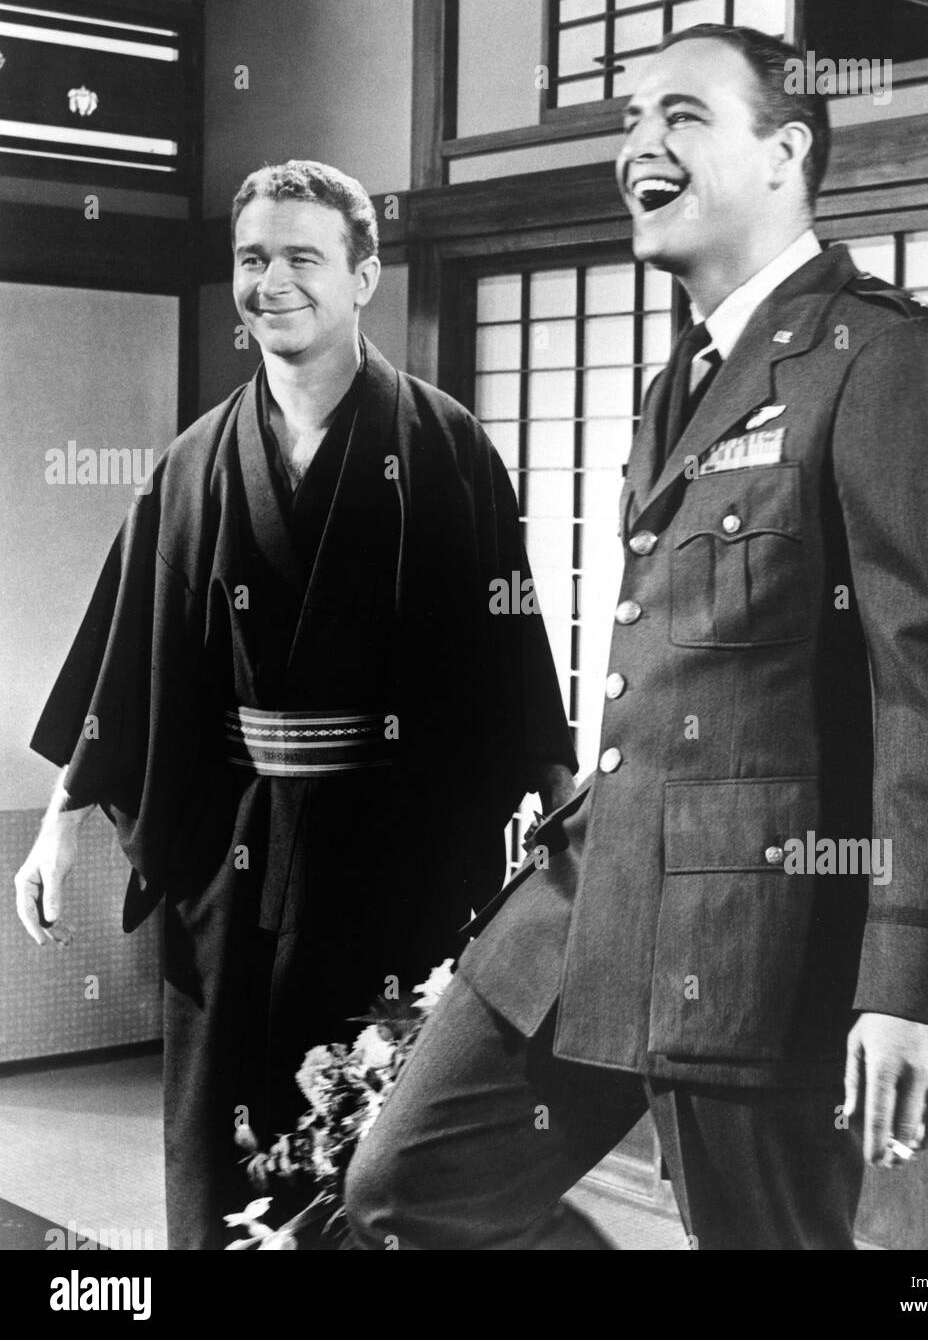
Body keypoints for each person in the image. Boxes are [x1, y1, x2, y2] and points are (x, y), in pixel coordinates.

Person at [343, 26, 928, 1251]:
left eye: (680, 115)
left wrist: (922, 985)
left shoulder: (888, 365)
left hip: (760, 932)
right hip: (592, 904)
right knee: (405, 1187)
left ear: (784, 152)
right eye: (628, 119)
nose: (636, 147)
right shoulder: (686, 377)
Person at [13, 160, 577, 1250]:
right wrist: (60, 821)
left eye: (302, 258)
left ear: (364, 275)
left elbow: (513, 644)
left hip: (396, 859)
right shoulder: (191, 464)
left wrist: (562, 816)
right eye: (252, 258)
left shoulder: (448, 447)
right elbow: (125, 652)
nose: (271, 281)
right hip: (229, 854)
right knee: (219, 1139)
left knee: (380, 1133)